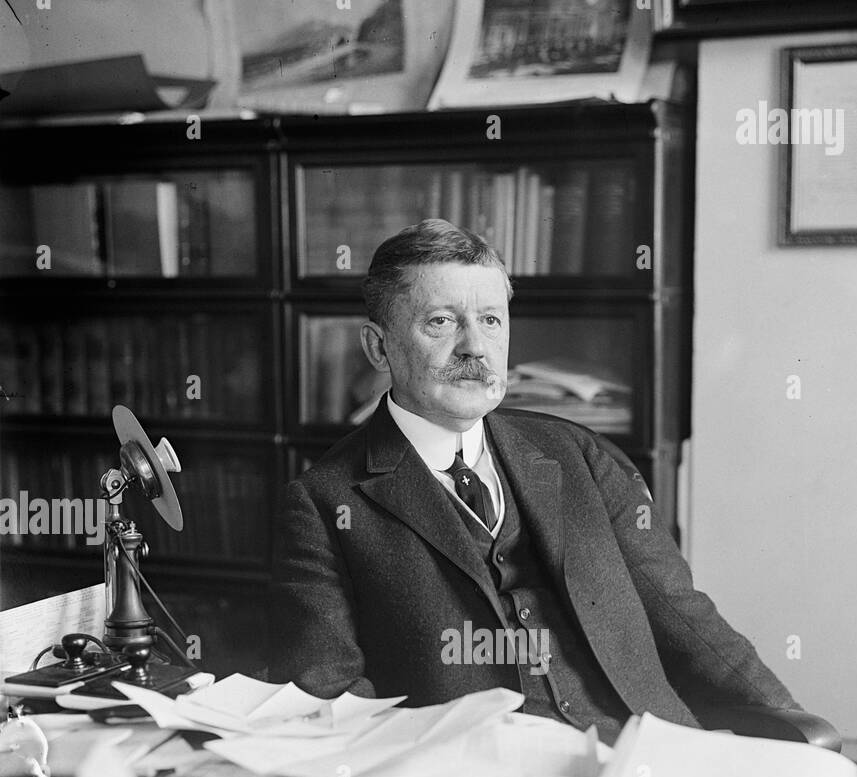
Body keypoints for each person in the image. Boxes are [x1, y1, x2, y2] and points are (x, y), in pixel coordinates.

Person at [269, 219, 799, 744]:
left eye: (491, 321)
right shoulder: (323, 502)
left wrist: (792, 724)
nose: (474, 347)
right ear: (379, 348)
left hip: (643, 756)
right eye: (441, 322)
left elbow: (683, 615)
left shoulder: (579, 457)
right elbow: (332, 694)